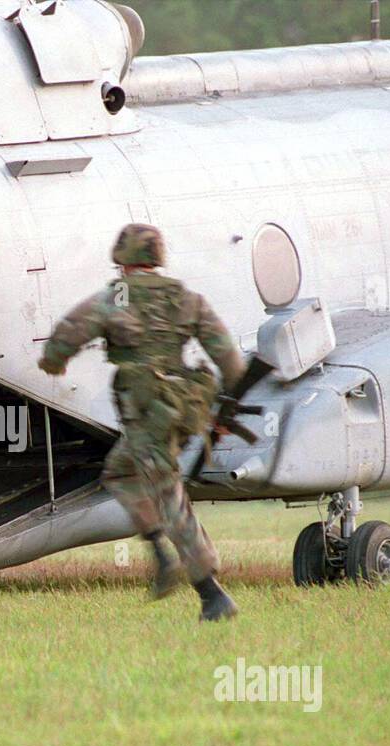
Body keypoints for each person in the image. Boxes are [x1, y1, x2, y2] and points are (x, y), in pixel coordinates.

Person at [37, 224, 245, 621]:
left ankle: (211, 593)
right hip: (184, 408)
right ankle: (161, 556)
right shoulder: (186, 298)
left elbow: (72, 330)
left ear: (124, 260)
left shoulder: (118, 295)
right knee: (119, 472)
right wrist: (227, 406)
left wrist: (54, 360)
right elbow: (229, 360)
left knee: (166, 493)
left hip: (147, 409)